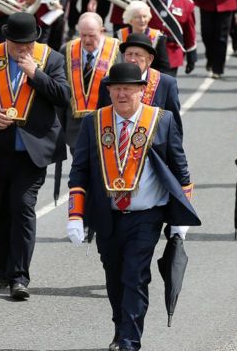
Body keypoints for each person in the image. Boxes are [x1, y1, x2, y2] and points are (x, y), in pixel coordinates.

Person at [67, 62, 199, 351]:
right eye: (116, 89)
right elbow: (79, 171)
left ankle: (130, 341)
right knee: (114, 277)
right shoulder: (93, 122)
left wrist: (181, 218)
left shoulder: (161, 120)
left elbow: (181, 170)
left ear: (142, 90)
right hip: (107, 215)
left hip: (146, 216)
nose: (122, 94)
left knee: (135, 276)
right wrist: (75, 214)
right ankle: (120, 329)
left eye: (128, 88)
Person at [0, 12, 70, 301]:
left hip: (32, 150)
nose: (23, 49)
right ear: (6, 39)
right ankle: (2, 271)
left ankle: (20, 277)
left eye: (28, 44)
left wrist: (36, 74)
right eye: (17, 45)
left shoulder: (51, 59)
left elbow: (63, 96)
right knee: (0, 210)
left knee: (22, 206)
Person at [96, 32, 182, 134]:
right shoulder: (109, 82)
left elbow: (174, 125)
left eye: (138, 55)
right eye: (129, 54)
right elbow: (100, 119)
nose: (132, 59)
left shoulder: (166, 84)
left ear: (150, 59)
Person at [58, 13, 120, 153]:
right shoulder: (67, 50)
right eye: (83, 35)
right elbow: (61, 89)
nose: (86, 40)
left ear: (102, 31)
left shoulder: (117, 50)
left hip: (108, 123)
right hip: (75, 126)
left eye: (92, 36)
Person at [147, 0, 197, 75]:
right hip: (149, 49)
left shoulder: (187, 3)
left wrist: (191, 55)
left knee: (167, 83)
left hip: (172, 51)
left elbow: (189, 31)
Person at [116, 0, 172, 73]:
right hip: (124, 74)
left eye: (145, 16)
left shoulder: (158, 37)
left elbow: (164, 66)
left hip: (150, 76)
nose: (142, 20)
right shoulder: (119, 35)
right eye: (137, 17)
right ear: (130, 19)